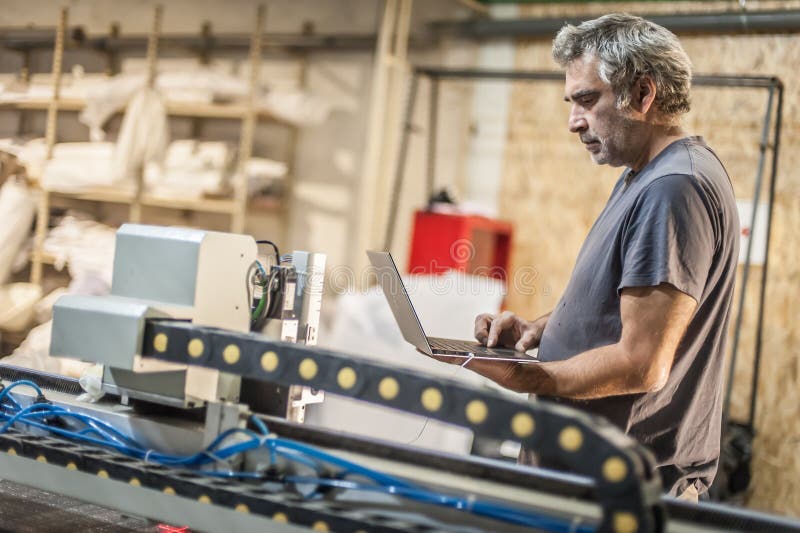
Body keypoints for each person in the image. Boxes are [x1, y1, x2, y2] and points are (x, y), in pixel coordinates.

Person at [457, 14, 739, 500]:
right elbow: (616, 306)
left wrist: (532, 377)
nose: (573, 121)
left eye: (587, 100)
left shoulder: (673, 189)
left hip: (620, 493)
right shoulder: (643, 177)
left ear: (643, 94)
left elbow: (641, 362)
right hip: (588, 482)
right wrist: (540, 330)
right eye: (572, 103)